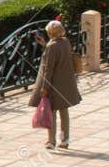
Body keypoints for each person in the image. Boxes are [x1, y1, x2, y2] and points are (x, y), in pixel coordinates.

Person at [27, 20, 81, 150]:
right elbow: (57, 53)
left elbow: (48, 69)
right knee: (64, 111)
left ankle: (51, 141)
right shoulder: (65, 42)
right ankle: (65, 140)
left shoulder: (52, 47)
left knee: (51, 111)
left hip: (53, 84)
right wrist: (45, 44)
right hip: (65, 83)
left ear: (50, 32)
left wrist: (44, 87)